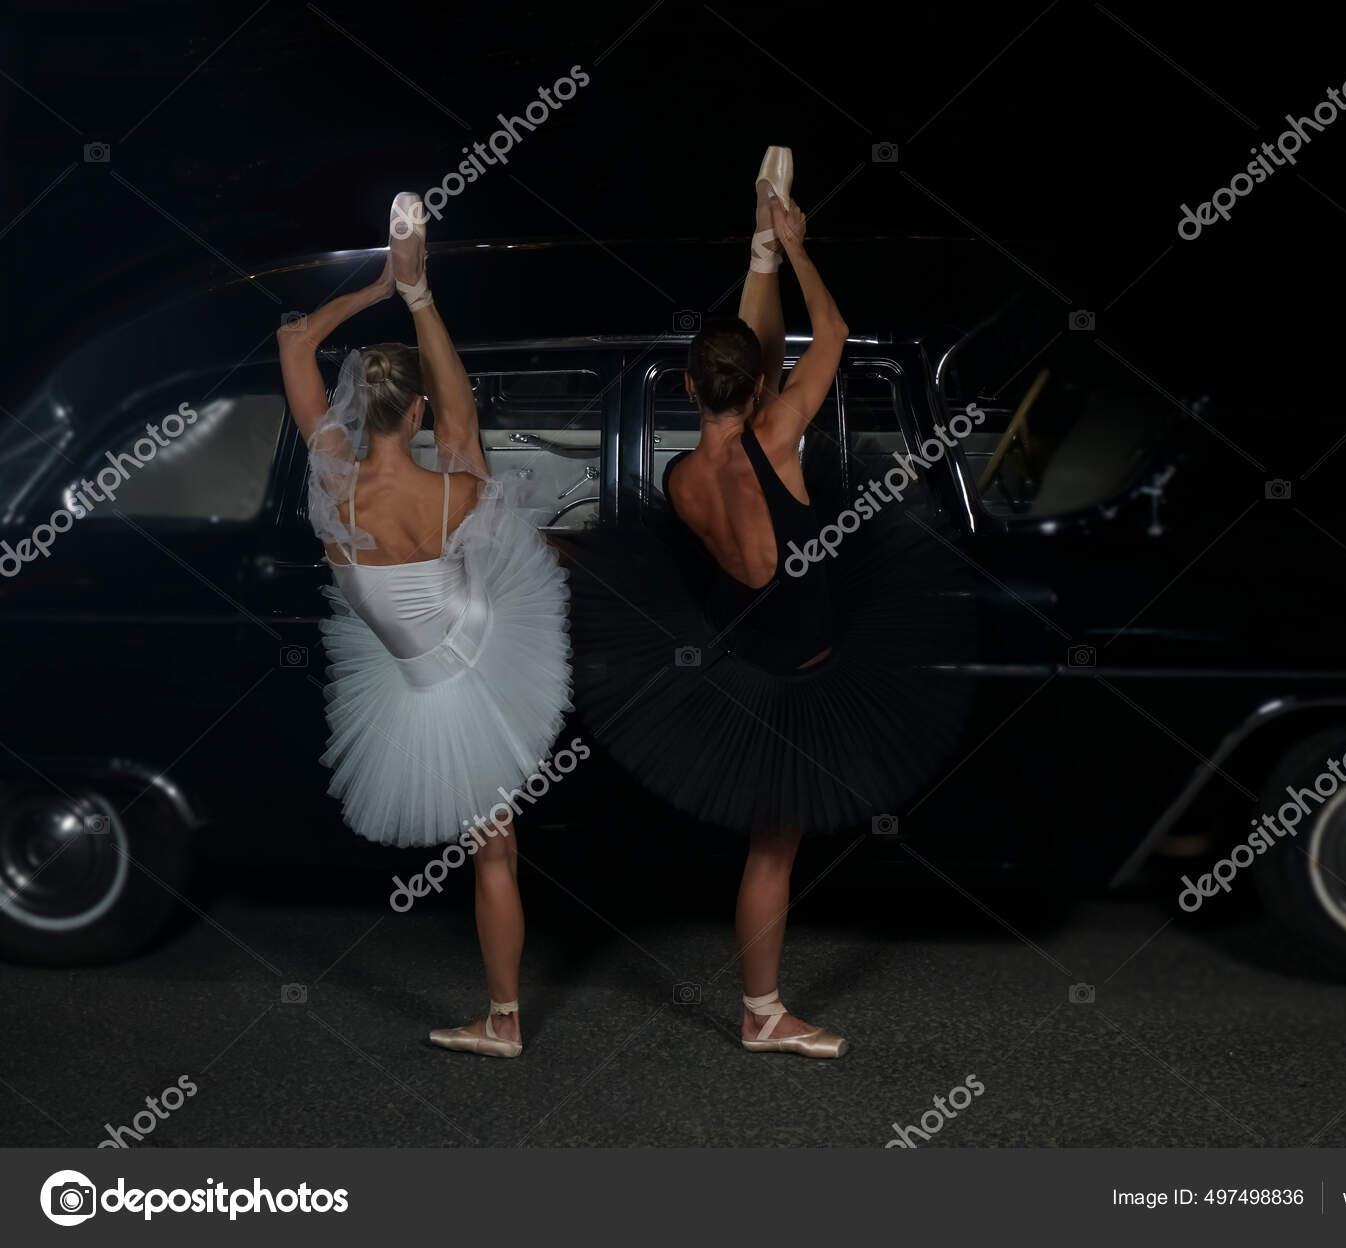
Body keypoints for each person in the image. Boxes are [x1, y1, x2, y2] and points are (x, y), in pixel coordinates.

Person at [569, 151, 974, 1058]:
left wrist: (762, 256)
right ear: (760, 391)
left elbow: (762, 365)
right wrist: (798, 251)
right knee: (774, 851)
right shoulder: (776, 434)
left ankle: (752, 242)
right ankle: (762, 1014)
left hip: (744, 663)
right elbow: (828, 334)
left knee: (769, 848)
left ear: (686, 390)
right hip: (798, 678)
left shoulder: (679, 477)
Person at [276, 194, 570, 1059]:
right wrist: (417, 292)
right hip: (474, 651)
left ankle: (503, 1024)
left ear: (352, 414)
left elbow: (295, 340)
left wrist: (372, 286)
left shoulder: (330, 476)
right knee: (496, 850)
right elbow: (463, 409)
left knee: (493, 849)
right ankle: (504, 1018)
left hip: (423, 673)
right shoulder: (457, 486)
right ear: (417, 417)